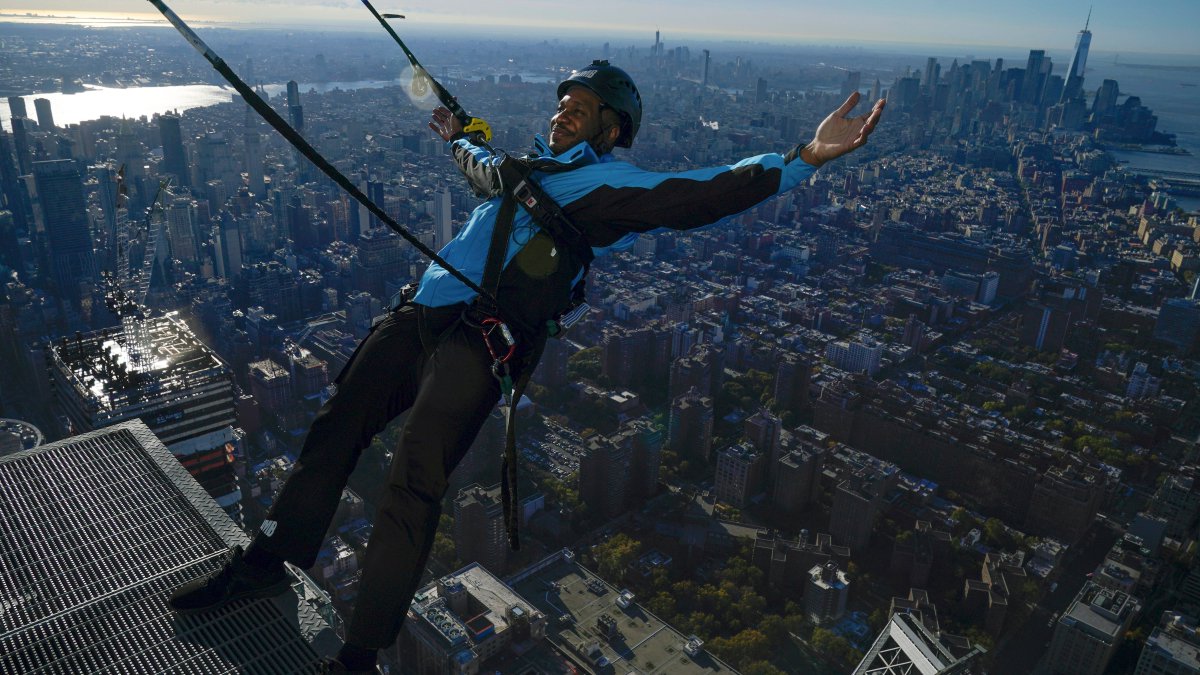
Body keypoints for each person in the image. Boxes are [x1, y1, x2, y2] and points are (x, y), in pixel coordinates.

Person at [168, 60, 884, 673]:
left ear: (611, 130)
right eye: (563, 103)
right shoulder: (520, 170)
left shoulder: (604, 187)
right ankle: (266, 563)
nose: (565, 113)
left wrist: (801, 160)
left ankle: (358, 657)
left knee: (415, 473)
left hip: (479, 341)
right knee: (332, 431)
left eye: (583, 109)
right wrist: (460, 140)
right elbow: (484, 170)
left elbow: (695, 194)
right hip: (421, 313)